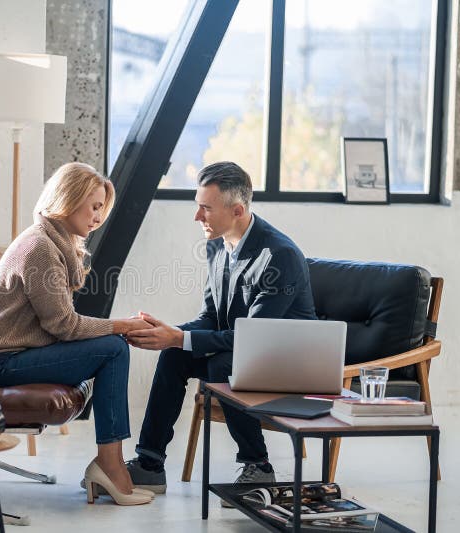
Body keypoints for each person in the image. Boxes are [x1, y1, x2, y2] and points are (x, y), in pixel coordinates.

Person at [0, 162, 154, 506]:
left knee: (114, 346)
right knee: (114, 347)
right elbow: (63, 325)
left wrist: (119, 328)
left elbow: (60, 323)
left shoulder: (53, 241)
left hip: (14, 357)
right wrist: (121, 325)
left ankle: (108, 463)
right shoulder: (40, 248)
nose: (98, 217)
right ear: (70, 197)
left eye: (102, 209)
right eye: (94, 205)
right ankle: (109, 464)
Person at [125, 161, 317, 499]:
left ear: (237, 210)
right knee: (174, 354)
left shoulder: (279, 255)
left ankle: (259, 466)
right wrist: (168, 334)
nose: (197, 217)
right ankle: (149, 465)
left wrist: (180, 337)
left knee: (221, 364)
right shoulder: (218, 244)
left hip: (291, 363)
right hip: (245, 354)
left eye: (205, 208)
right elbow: (212, 318)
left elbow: (253, 339)